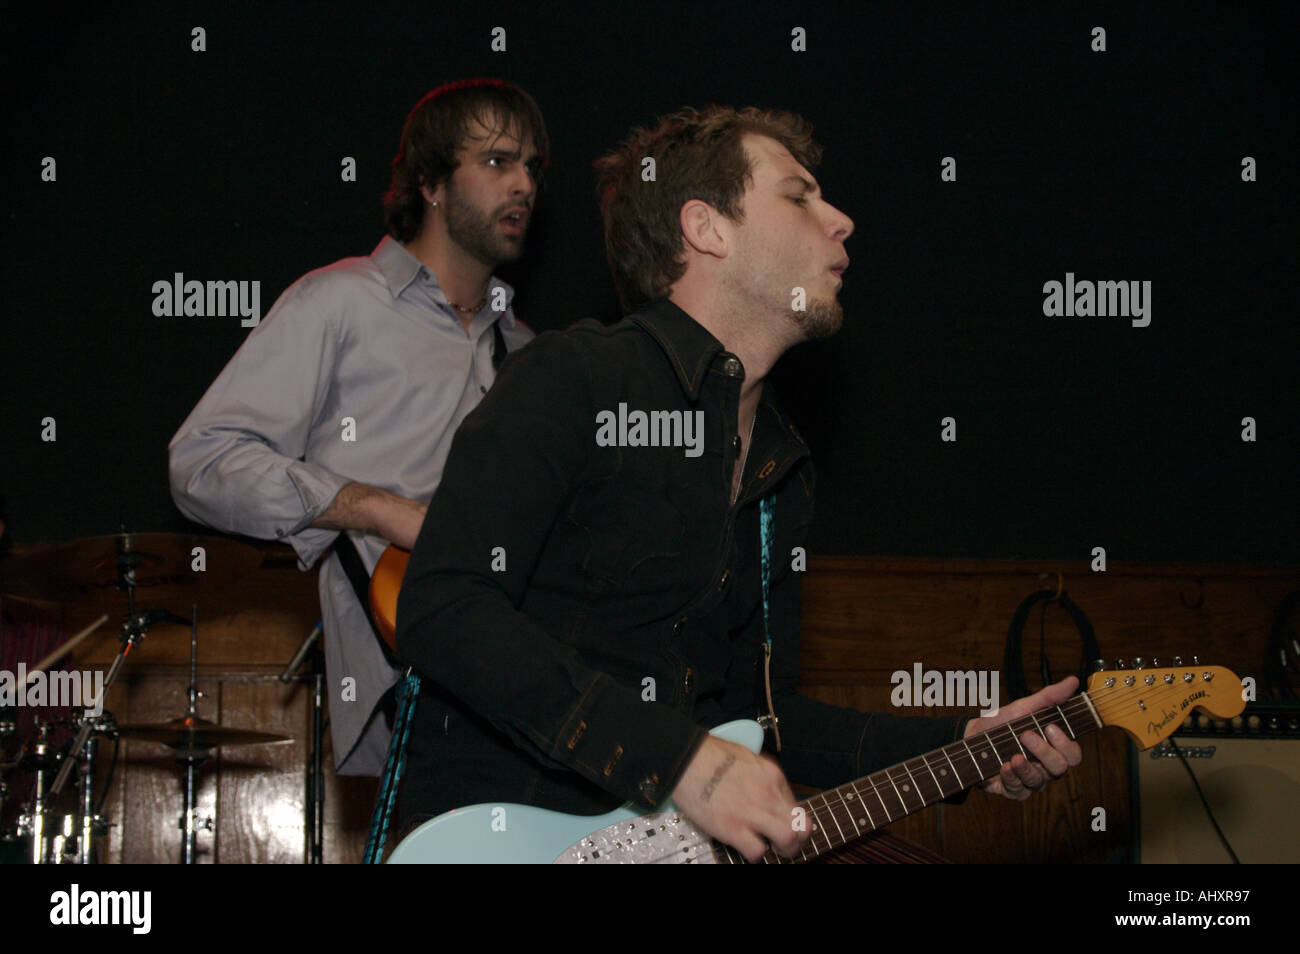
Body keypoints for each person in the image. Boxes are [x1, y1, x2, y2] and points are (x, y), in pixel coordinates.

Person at [394, 105, 1081, 861]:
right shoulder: (576, 377)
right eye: (799, 195)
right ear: (706, 228)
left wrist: (965, 742)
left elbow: (766, 718)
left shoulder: (779, 466)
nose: (841, 220)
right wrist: (677, 758)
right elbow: (443, 604)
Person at [168, 79, 548, 775]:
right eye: (498, 162)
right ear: (431, 182)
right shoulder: (338, 302)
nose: (524, 183)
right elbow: (201, 460)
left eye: (532, 166)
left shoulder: (525, 350)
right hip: (404, 682)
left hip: (519, 682)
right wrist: (372, 507)